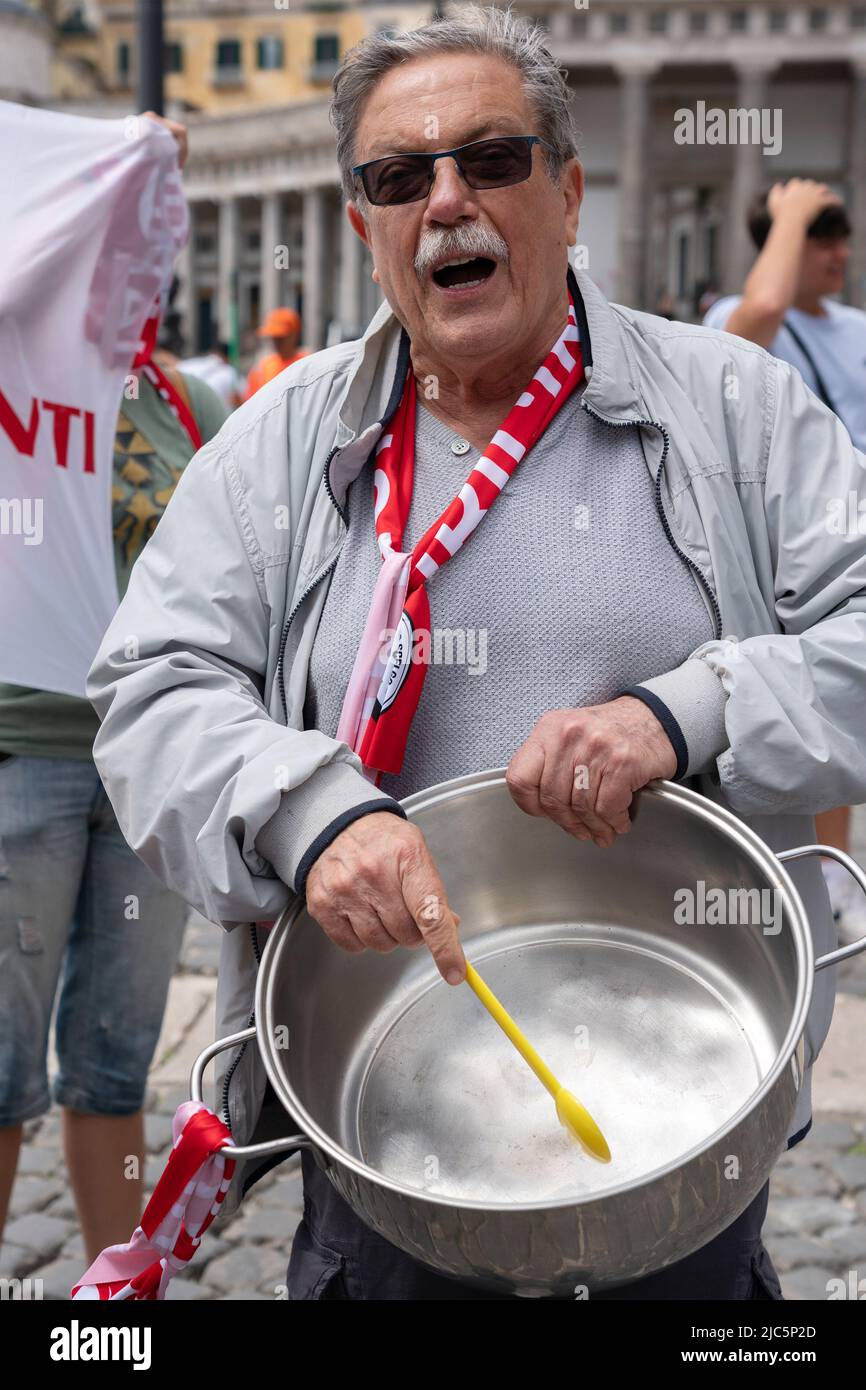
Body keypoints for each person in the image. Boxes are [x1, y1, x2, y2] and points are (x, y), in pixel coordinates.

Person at [87, 6, 866, 1300]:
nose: (446, 201)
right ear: (363, 227)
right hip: (381, 1132)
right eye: (399, 177)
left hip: (678, 1118)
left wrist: (694, 710)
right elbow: (150, 688)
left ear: (565, 191)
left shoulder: (741, 407)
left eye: (492, 160)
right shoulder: (279, 438)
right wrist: (305, 811)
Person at [0, 118, 228, 1265]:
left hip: (146, 764)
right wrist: (97, 160)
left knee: (113, 1060)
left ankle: (113, 1296)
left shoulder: (189, 400)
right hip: (21, 753)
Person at [703, 181, 866, 940]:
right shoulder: (720, 324)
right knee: (792, 697)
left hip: (852, 532)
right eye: (820, 236)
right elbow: (757, 322)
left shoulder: (855, 329)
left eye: (839, 235)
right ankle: (803, 878)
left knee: (839, 695)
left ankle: (835, 874)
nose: (838, 252)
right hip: (782, 542)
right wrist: (789, 213)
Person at [244, 307, 309, 398]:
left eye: (281, 338)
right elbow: (252, 401)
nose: (276, 342)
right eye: (274, 337)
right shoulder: (263, 367)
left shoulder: (306, 363)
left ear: (294, 335)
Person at [182, 340, 245, 410]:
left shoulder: (193, 363)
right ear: (229, 357)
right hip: (208, 412)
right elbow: (245, 397)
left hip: (184, 406)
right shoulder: (230, 372)